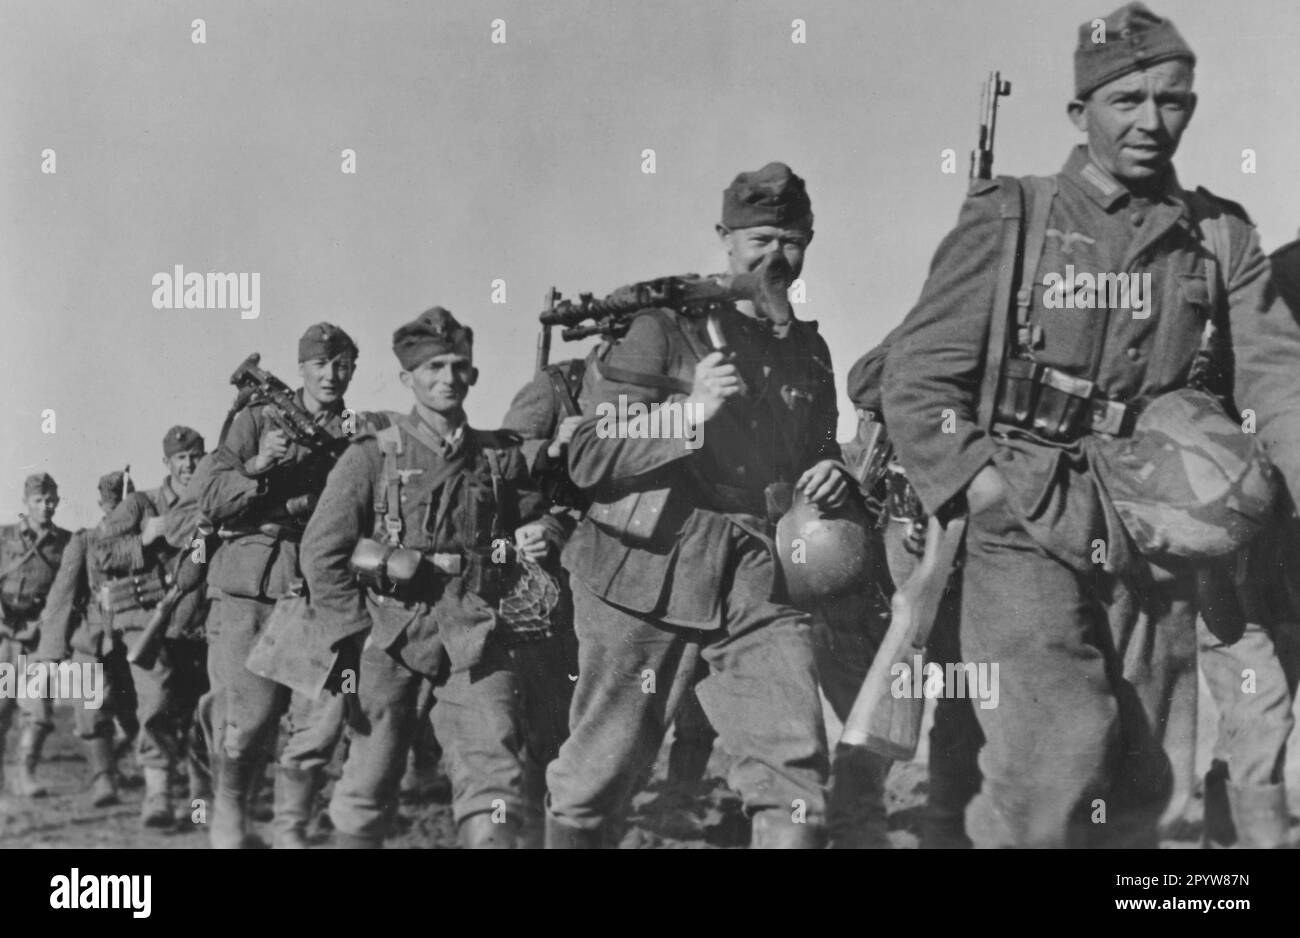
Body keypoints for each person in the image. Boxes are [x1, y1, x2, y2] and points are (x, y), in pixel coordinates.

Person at [879, 2, 1300, 847]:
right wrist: (982, 487)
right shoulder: (1016, 217)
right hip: (1024, 519)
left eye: (1173, 100)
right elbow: (918, 375)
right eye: (1127, 100)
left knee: (1149, 782)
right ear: (1081, 113)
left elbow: (1274, 383)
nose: (1152, 121)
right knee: (1052, 756)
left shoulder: (1220, 237)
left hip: (1158, 533)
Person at [545, 162, 843, 848]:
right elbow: (589, 454)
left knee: (795, 785)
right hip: (644, 577)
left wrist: (828, 470)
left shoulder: (808, 349)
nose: (776, 255)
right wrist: (691, 413)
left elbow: (819, 444)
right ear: (727, 239)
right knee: (595, 782)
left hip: (759, 580)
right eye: (761, 237)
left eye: (792, 239)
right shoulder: (662, 330)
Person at [302, 306, 567, 848]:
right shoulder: (372, 455)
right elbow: (321, 553)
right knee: (369, 783)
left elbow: (554, 505)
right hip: (388, 639)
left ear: (472, 373)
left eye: (458, 366)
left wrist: (545, 530)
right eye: (433, 368)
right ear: (407, 379)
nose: (448, 379)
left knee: (496, 778)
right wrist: (352, 637)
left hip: (473, 632)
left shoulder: (496, 457)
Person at [196, 323, 360, 847]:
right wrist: (260, 464)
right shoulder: (256, 418)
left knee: (317, 720)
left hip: (317, 585)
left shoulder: (357, 432)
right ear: (302, 369)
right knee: (248, 718)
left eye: (341, 365)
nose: (331, 375)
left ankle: (290, 830)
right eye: (320, 365)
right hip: (252, 583)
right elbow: (210, 499)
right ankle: (229, 817)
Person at [1198, 236, 1300, 848]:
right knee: (1261, 707)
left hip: (1283, 562)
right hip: (1245, 551)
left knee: (1256, 717)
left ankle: (1221, 847)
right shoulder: (1276, 279)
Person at [95, 426, 212, 827]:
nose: (189, 464)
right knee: (157, 703)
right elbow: (101, 550)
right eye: (181, 458)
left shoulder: (212, 503)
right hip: (148, 623)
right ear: (167, 463)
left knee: (202, 711)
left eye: (196, 456)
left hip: (197, 623)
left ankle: (200, 800)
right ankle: (158, 794)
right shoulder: (140, 504)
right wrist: (144, 539)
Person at [36, 471, 145, 807]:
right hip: (93, 639)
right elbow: (62, 596)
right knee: (90, 709)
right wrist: (50, 654)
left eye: (124, 506)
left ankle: (157, 774)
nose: (116, 512)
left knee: (139, 709)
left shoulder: (149, 540)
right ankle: (104, 779)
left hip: (137, 636)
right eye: (111, 505)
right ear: (101, 505)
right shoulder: (84, 541)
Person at [0, 473, 73, 799]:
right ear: (26, 502)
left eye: (51, 500)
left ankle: (24, 773)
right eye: (38, 501)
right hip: (3, 635)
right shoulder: (4, 537)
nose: (46, 507)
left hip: (39, 638)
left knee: (39, 712)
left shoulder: (66, 543)